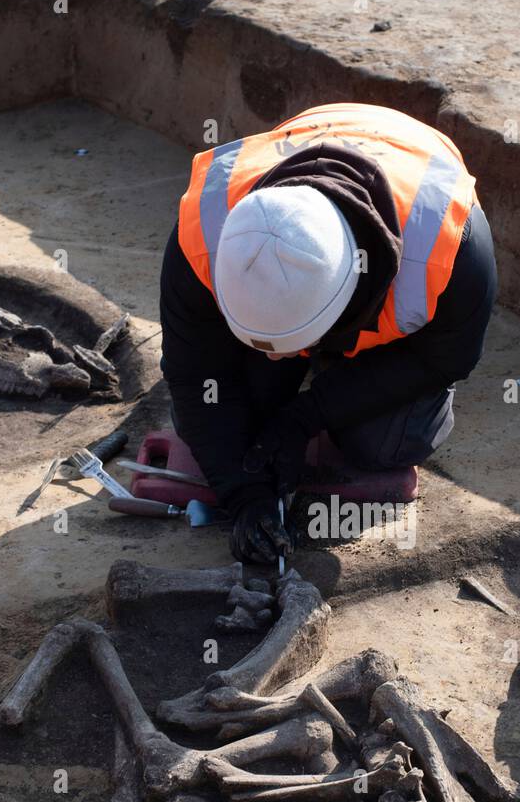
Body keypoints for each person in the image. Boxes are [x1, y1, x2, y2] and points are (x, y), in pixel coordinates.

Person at [159, 101, 497, 564]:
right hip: (312, 145)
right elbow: (194, 373)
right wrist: (245, 496)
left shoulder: (450, 247)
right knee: (231, 415)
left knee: (384, 443)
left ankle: (328, 381)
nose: (277, 358)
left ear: (347, 300)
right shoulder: (204, 232)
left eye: (293, 343)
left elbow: (444, 358)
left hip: (407, 160)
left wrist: (307, 414)